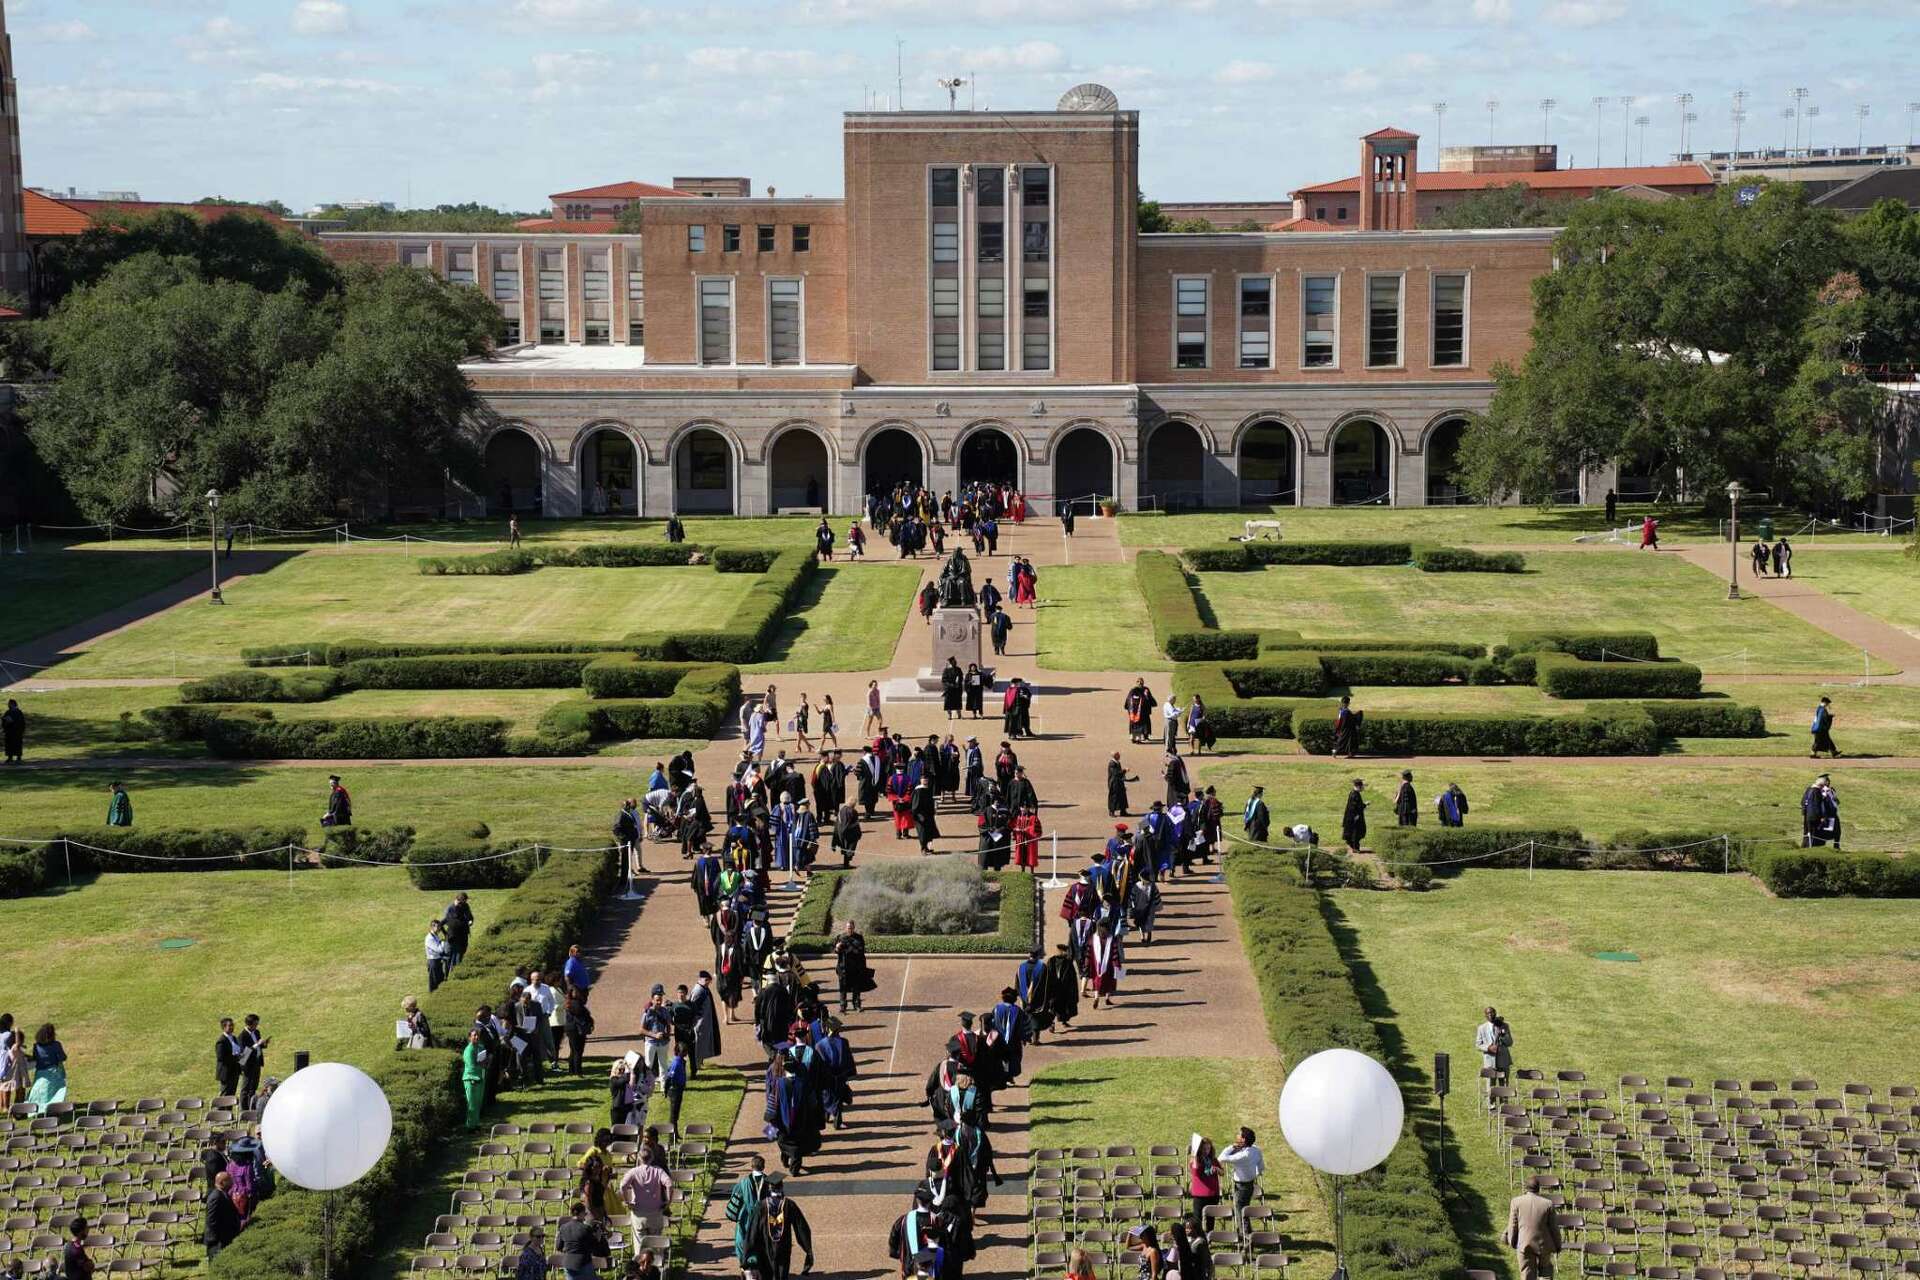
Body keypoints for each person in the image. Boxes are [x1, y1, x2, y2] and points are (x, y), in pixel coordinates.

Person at [1506, 1176, 1563, 1280]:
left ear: (1525, 1188)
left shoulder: (1516, 1202)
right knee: (1546, 1272)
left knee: (1527, 1273)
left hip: (1524, 1243)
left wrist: (1512, 1241)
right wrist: (1558, 1244)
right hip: (1543, 1244)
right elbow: (1554, 1228)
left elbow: (1513, 1225)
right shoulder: (1547, 1204)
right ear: (1539, 1188)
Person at [1218, 1128, 1264, 1234]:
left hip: (1241, 1186)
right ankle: (1246, 1232)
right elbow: (1261, 1167)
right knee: (1245, 1208)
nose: (1237, 1135)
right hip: (1250, 1184)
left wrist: (1232, 1146)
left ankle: (1245, 1235)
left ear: (1243, 1139)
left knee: (1240, 1211)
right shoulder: (1256, 1150)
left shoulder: (1242, 1156)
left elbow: (1221, 1158)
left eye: (1239, 1134)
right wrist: (1253, 1174)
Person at [619, 1144, 673, 1220]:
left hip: (638, 1212)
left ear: (639, 1158)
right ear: (652, 1158)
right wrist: (668, 1201)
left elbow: (622, 1186)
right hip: (656, 1212)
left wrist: (627, 1202)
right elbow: (669, 1185)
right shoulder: (658, 1171)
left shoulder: (633, 1172)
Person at [556, 1201, 608, 1280]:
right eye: (585, 1213)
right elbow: (595, 1246)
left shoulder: (563, 1227)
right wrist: (598, 1235)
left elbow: (558, 1246)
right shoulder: (586, 1228)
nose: (585, 1216)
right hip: (583, 1263)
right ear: (581, 1213)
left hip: (568, 1264)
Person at [204, 1169, 243, 1261]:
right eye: (229, 1180)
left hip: (225, 1237)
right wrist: (218, 1240)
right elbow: (211, 1220)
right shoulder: (216, 1197)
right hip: (217, 1241)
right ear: (222, 1183)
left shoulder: (223, 1194)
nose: (232, 1182)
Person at [834, 921, 872, 1013]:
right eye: (848, 928)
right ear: (846, 928)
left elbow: (861, 951)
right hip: (843, 967)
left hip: (855, 967)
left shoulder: (859, 938)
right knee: (842, 987)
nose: (849, 929)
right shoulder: (840, 937)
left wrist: (848, 949)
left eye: (851, 928)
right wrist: (837, 947)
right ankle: (843, 1006)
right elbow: (836, 951)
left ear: (854, 928)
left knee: (856, 987)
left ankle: (857, 1005)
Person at [27, 1023, 66, 1113]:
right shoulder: (56, 1044)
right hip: (54, 1072)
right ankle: (54, 1108)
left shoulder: (36, 1046)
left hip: (40, 1073)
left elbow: (35, 1058)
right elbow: (63, 1057)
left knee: (40, 1092)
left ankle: (36, 1108)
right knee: (56, 1092)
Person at [1802, 773, 1841, 848]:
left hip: (1833, 814)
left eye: (1828, 780)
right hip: (1822, 815)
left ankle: (1836, 846)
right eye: (1826, 780)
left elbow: (1836, 802)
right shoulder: (1816, 790)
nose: (1828, 782)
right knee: (1817, 835)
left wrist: (1835, 798)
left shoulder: (1831, 790)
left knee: (1837, 832)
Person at [238, 1013, 268, 1109]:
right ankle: (244, 1109)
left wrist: (264, 1044)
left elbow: (259, 1045)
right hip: (248, 1065)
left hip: (257, 1063)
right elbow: (244, 1053)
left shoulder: (256, 1032)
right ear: (249, 1024)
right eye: (255, 1024)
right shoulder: (242, 1036)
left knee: (254, 1087)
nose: (257, 1026)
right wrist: (257, 1044)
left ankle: (252, 1107)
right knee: (246, 1087)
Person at [1476, 1007, 1513, 1084]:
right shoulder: (1481, 1028)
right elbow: (1478, 1045)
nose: (1490, 1015)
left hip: (1503, 1061)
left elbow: (1510, 1042)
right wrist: (1488, 1048)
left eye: (1492, 1012)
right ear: (1485, 1015)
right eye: (1488, 1013)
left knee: (1504, 1086)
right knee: (1490, 1086)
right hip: (1490, 1062)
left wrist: (1502, 1035)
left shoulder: (1504, 1026)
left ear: (1495, 1013)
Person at [1188, 1134, 1221, 1219]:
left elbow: (1222, 1172)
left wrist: (1217, 1169)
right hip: (1199, 1195)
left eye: (1208, 1148)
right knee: (1197, 1219)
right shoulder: (1195, 1160)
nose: (1206, 1151)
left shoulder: (1213, 1159)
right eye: (1204, 1149)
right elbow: (1195, 1172)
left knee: (1211, 1220)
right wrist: (1195, 1156)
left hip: (1213, 1194)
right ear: (1199, 1149)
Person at [461, 1028, 488, 1128]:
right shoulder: (468, 1050)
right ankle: (470, 1127)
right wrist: (481, 1065)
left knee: (478, 1103)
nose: (476, 1037)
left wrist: (485, 1062)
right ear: (469, 1037)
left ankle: (476, 1124)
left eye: (478, 1035)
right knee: (472, 1104)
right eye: (474, 1035)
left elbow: (483, 1061)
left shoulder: (481, 1047)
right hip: (471, 1079)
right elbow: (471, 1066)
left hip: (481, 1077)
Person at [443, 891, 475, 969]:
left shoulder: (466, 906)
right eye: (464, 900)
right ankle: (451, 971)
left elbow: (470, 916)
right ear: (460, 900)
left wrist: (470, 921)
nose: (466, 902)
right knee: (453, 956)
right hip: (454, 935)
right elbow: (447, 922)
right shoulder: (450, 908)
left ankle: (458, 968)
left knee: (462, 952)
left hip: (464, 934)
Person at [216, 1018, 245, 1099]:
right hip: (226, 1072)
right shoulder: (221, 1041)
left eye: (232, 1025)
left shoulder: (234, 1038)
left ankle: (229, 1108)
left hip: (235, 1071)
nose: (232, 1027)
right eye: (230, 1026)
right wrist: (236, 1057)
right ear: (224, 1027)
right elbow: (221, 1057)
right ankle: (220, 1108)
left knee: (232, 1095)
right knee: (225, 1095)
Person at [1341, 778, 1367, 855]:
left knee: (1354, 832)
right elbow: (1355, 807)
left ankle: (1354, 847)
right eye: (1362, 786)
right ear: (1358, 786)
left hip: (1353, 817)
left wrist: (1364, 805)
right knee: (1355, 833)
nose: (1363, 788)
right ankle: (1355, 848)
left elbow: (1357, 806)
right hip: (1354, 818)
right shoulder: (1354, 794)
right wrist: (1357, 815)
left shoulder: (1354, 793)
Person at [425, 919, 452, 992]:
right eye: (438, 927)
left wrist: (442, 942)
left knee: (440, 980)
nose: (439, 928)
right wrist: (443, 942)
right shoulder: (429, 938)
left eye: (440, 926)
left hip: (438, 960)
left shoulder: (435, 936)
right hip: (433, 962)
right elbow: (439, 949)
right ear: (432, 927)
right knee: (434, 982)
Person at [1107, 753, 1134, 817]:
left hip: (1119, 782)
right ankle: (1111, 812)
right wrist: (1124, 770)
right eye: (1118, 754)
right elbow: (1115, 773)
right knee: (1114, 797)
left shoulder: (1117, 762)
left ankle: (1123, 811)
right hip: (1114, 783)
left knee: (1122, 796)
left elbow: (1119, 773)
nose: (1119, 755)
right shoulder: (1112, 763)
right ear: (1115, 756)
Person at [1, 699, 22, 764]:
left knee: (17, 744)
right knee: (9, 745)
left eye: (10, 704)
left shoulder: (18, 712)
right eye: (9, 704)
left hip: (17, 732)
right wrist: (5, 721)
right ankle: (10, 757)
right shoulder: (8, 712)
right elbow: (4, 720)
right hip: (9, 731)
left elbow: (21, 722)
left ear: (14, 704)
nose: (9, 705)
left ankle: (18, 758)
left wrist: (14, 723)